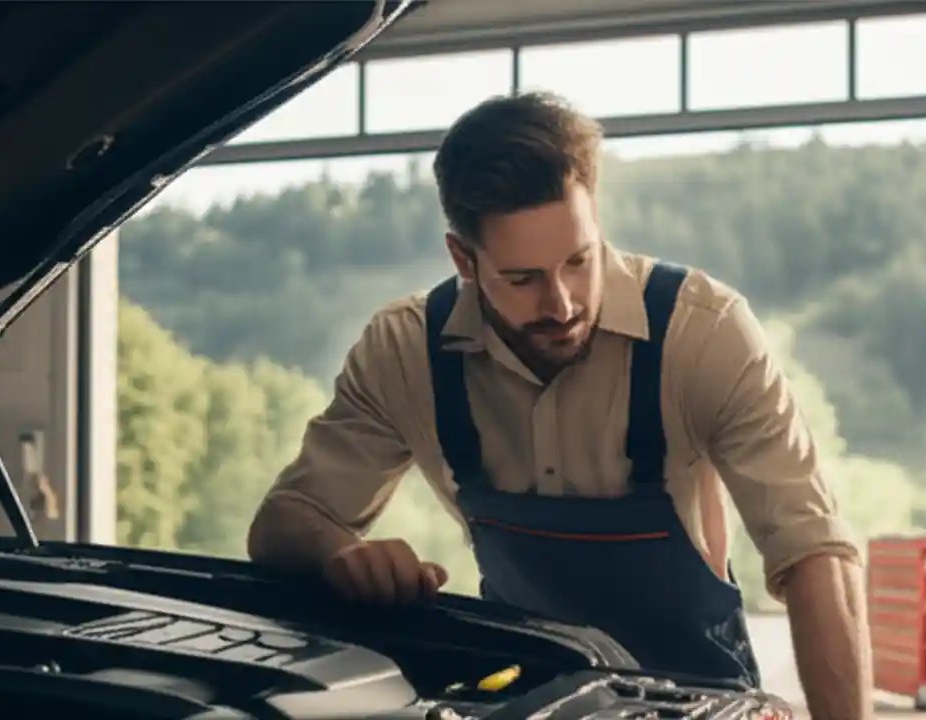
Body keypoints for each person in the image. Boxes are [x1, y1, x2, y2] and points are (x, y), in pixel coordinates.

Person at [246, 91, 873, 720]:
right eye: (523, 279)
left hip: (695, 701)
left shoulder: (704, 334)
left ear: (596, 218)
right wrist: (340, 555)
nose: (563, 303)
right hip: (531, 699)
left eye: (579, 261)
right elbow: (285, 521)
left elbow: (814, 552)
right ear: (463, 258)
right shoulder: (404, 351)